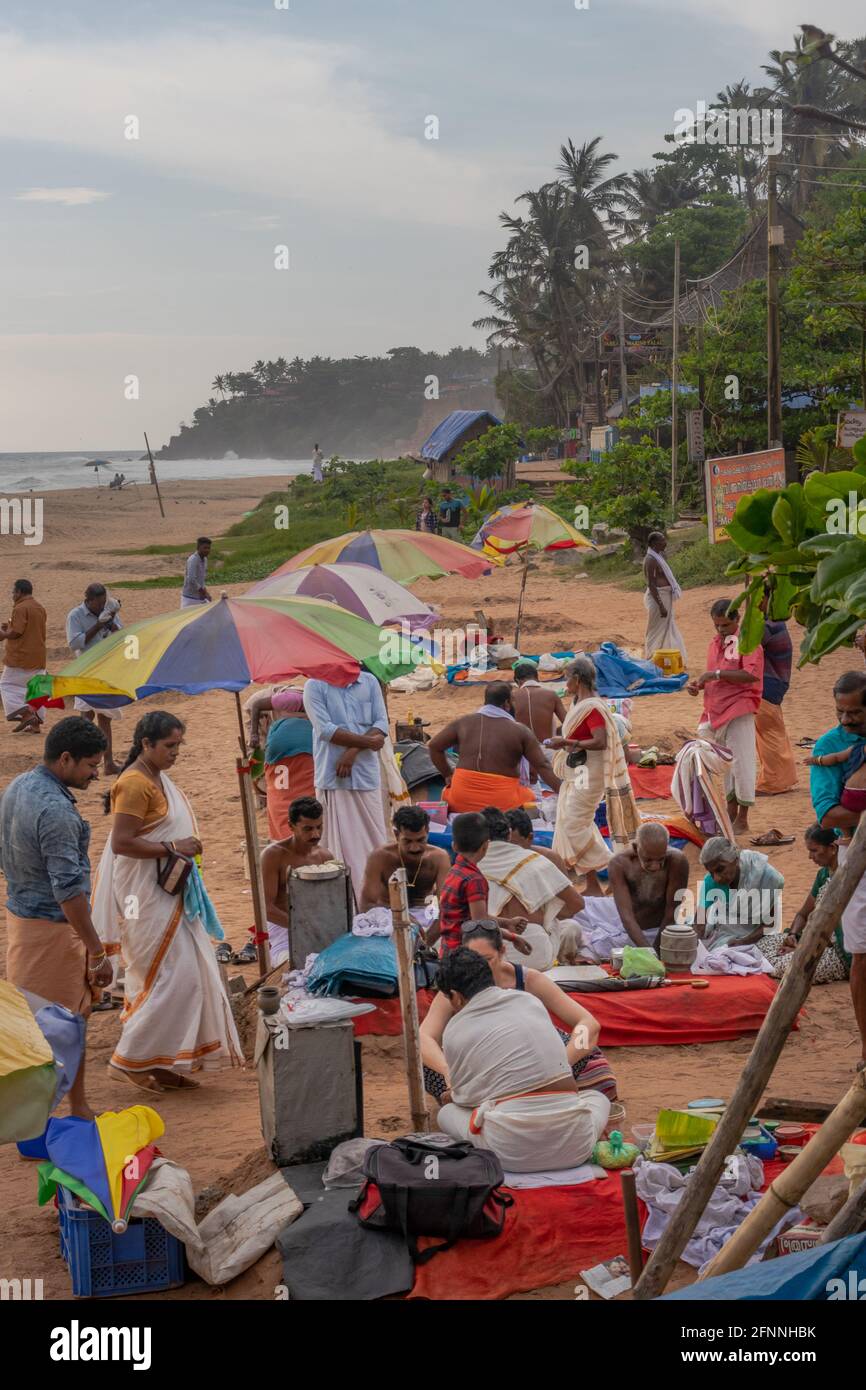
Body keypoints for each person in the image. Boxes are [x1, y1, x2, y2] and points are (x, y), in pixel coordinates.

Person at [91, 710, 242, 1091]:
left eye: (179, 745)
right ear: (146, 744)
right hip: (140, 897)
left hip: (168, 892)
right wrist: (175, 845)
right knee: (174, 977)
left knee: (180, 974)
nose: (176, 753)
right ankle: (129, 1058)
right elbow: (123, 843)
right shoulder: (134, 783)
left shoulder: (157, 778)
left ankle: (157, 1061)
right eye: (169, 746)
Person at [0, 716, 113, 1119]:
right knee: (61, 1027)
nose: (95, 773)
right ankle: (37, 1121)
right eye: (90, 765)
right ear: (65, 759)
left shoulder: (17, 788)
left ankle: (76, 1107)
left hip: (22, 921)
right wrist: (97, 952)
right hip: (53, 931)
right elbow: (68, 892)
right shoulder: (55, 811)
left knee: (49, 1025)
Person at [433, 948, 611, 1173]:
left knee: (446, 1113)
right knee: (596, 1098)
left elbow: (468, 1100)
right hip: (577, 1145)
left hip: (511, 1153)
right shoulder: (529, 1001)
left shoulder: (455, 1029)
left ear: (455, 996)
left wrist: (454, 1095)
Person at [420, 921, 617, 1106]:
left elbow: (587, 1024)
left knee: (585, 1055)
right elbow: (424, 1037)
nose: (480, 967)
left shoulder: (528, 979)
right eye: (474, 959)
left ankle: (480, 1103)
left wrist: (564, 1061)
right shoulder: (455, 988)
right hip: (482, 1067)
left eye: (487, 959)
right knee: (428, 1066)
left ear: (503, 952)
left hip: (532, 1065)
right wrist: (448, 1072)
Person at [810, 670, 866, 1067]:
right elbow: (828, 814)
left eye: (855, 714)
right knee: (862, 953)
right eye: (840, 712)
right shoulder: (831, 746)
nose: (846, 720)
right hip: (856, 854)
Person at [549, 656, 640, 896]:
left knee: (574, 824)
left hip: (590, 773)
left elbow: (600, 741)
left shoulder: (593, 708)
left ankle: (621, 871)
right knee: (577, 822)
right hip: (579, 771)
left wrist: (566, 741)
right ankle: (592, 885)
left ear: (577, 679)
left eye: (567, 678)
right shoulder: (581, 705)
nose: (565, 683)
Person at [302, 670, 390, 901]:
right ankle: (345, 903)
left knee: (375, 840)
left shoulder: (370, 681)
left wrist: (352, 752)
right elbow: (326, 730)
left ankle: (376, 898)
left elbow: (381, 723)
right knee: (335, 848)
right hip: (333, 777)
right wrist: (369, 742)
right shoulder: (315, 685)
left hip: (365, 776)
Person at [477, 805, 585, 969]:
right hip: (533, 953)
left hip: (482, 955)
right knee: (569, 927)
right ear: (508, 833)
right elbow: (577, 903)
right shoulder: (535, 860)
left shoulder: (467, 864)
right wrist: (546, 913)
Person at [688, 599, 763, 835]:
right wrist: (699, 684)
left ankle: (743, 817)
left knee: (742, 763)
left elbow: (750, 674)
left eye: (725, 625)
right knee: (724, 762)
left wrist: (716, 674)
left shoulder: (748, 642)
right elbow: (714, 677)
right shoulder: (715, 643)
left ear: (737, 620)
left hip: (738, 707)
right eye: (717, 625)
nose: (721, 630)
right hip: (714, 709)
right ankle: (728, 811)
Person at [428, 681, 561, 815]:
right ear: (507, 703)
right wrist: (563, 793)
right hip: (503, 805)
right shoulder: (521, 731)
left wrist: (448, 774)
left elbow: (434, 746)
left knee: (448, 792)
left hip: (461, 800)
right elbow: (542, 766)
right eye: (514, 701)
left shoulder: (463, 722)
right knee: (530, 798)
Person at [759, 824, 849, 983]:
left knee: (789, 967)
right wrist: (793, 935)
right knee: (761, 946)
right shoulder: (823, 875)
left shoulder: (849, 878)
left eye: (814, 851)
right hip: (811, 939)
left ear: (833, 848)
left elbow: (837, 932)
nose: (810, 857)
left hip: (838, 950)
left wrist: (803, 947)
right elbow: (803, 914)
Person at [434, 812, 529, 954]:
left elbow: (476, 917)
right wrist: (512, 937)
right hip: (466, 955)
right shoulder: (474, 880)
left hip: (447, 950)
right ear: (486, 846)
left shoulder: (454, 871)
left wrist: (507, 923)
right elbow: (480, 925)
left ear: (454, 846)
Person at [261, 796, 335, 967]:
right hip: (285, 930)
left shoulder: (325, 856)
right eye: (307, 829)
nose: (315, 834)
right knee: (295, 965)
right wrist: (302, 927)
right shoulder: (273, 856)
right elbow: (266, 908)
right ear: (291, 826)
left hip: (319, 929)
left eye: (319, 827)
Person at [65, 583, 123, 774]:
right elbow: (75, 644)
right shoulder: (75, 616)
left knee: (105, 717)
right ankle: (83, 763)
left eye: (103, 603)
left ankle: (108, 763)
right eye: (98, 604)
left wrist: (111, 621)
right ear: (88, 600)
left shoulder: (107, 610)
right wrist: (97, 625)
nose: (101, 607)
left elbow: (121, 635)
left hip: (107, 668)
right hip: (87, 669)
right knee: (86, 717)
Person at [607, 823, 690, 949]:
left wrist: (656, 950)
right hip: (633, 932)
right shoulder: (619, 864)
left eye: (661, 859)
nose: (656, 866)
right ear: (636, 848)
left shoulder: (677, 861)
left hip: (664, 930)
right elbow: (626, 916)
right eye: (648, 860)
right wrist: (648, 951)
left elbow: (672, 912)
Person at [249, 688, 315, 840]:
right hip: (303, 748)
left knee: (280, 795)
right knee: (304, 793)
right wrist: (254, 734)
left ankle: (283, 837)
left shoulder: (296, 702)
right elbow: (256, 705)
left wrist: (255, 735)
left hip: (281, 749)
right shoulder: (291, 699)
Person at [697, 836, 783, 950]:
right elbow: (700, 918)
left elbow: (769, 925)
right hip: (722, 932)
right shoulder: (710, 880)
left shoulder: (768, 877)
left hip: (755, 935)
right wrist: (695, 941)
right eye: (711, 872)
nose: (716, 878)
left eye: (720, 869)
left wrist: (742, 942)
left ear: (735, 859)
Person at [360, 805, 450, 912]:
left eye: (421, 840)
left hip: (426, 915)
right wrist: (399, 916)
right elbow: (367, 905)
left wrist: (430, 928)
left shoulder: (439, 857)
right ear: (397, 835)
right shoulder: (379, 857)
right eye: (407, 841)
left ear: (427, 831)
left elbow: (445, 904)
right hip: (388, 914)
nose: (414, 848)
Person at [756, 595, 798, 795]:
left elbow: (747, 645)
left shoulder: (768, 625)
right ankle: (783, 779)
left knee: (768, 734)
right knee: (774, 732)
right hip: (776, 682)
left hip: (768, 684)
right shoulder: (776, 622)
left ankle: (773, 782)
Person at [0, 579, 47, 734]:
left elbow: (17, 632)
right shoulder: (39, 607)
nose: (13, 595)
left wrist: (4, 634)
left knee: (7, 685)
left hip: (20, 657)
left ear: (19, 592)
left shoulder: (20, 608)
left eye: (13, 592)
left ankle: (27, 715)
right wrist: (9, 627)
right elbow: (30, 629)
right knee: (34, 690)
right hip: (38, 656)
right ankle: (35, 724)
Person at [643, 531, 687, 665]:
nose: (665, 542)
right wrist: (661, 605)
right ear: (653, 543)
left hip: (665, 595)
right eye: (662, 540)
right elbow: (651, 584)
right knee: (655, 629)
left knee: (668, 628)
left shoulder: (658, 556)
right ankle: (651, 658)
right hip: (658, 599)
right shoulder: (650, 559)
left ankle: (665, 660)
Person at [505, 806, 574, 877]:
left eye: (514, 845)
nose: (509, 849)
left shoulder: (551, 858)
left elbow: (565, 886)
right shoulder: (499, 864)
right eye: (505, 844)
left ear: (530, 838)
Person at [511, 660, 567, 748]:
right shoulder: (551, 694)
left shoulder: (512, 697)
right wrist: (555, 733)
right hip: (547, 749)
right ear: (537, 678)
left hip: (521, 752)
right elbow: (569, 723)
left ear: (517, 681)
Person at [181, 537, 212, 608]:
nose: (207, 550)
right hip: (189, 597)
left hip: (199, 596)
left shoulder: (205, 559)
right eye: (205, 548)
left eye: (208, 548)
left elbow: (202, 578)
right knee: (187, 618)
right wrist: (202, 591)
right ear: (198, 547)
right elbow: (191, 579)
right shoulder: (193, 559)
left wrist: (206, 593)